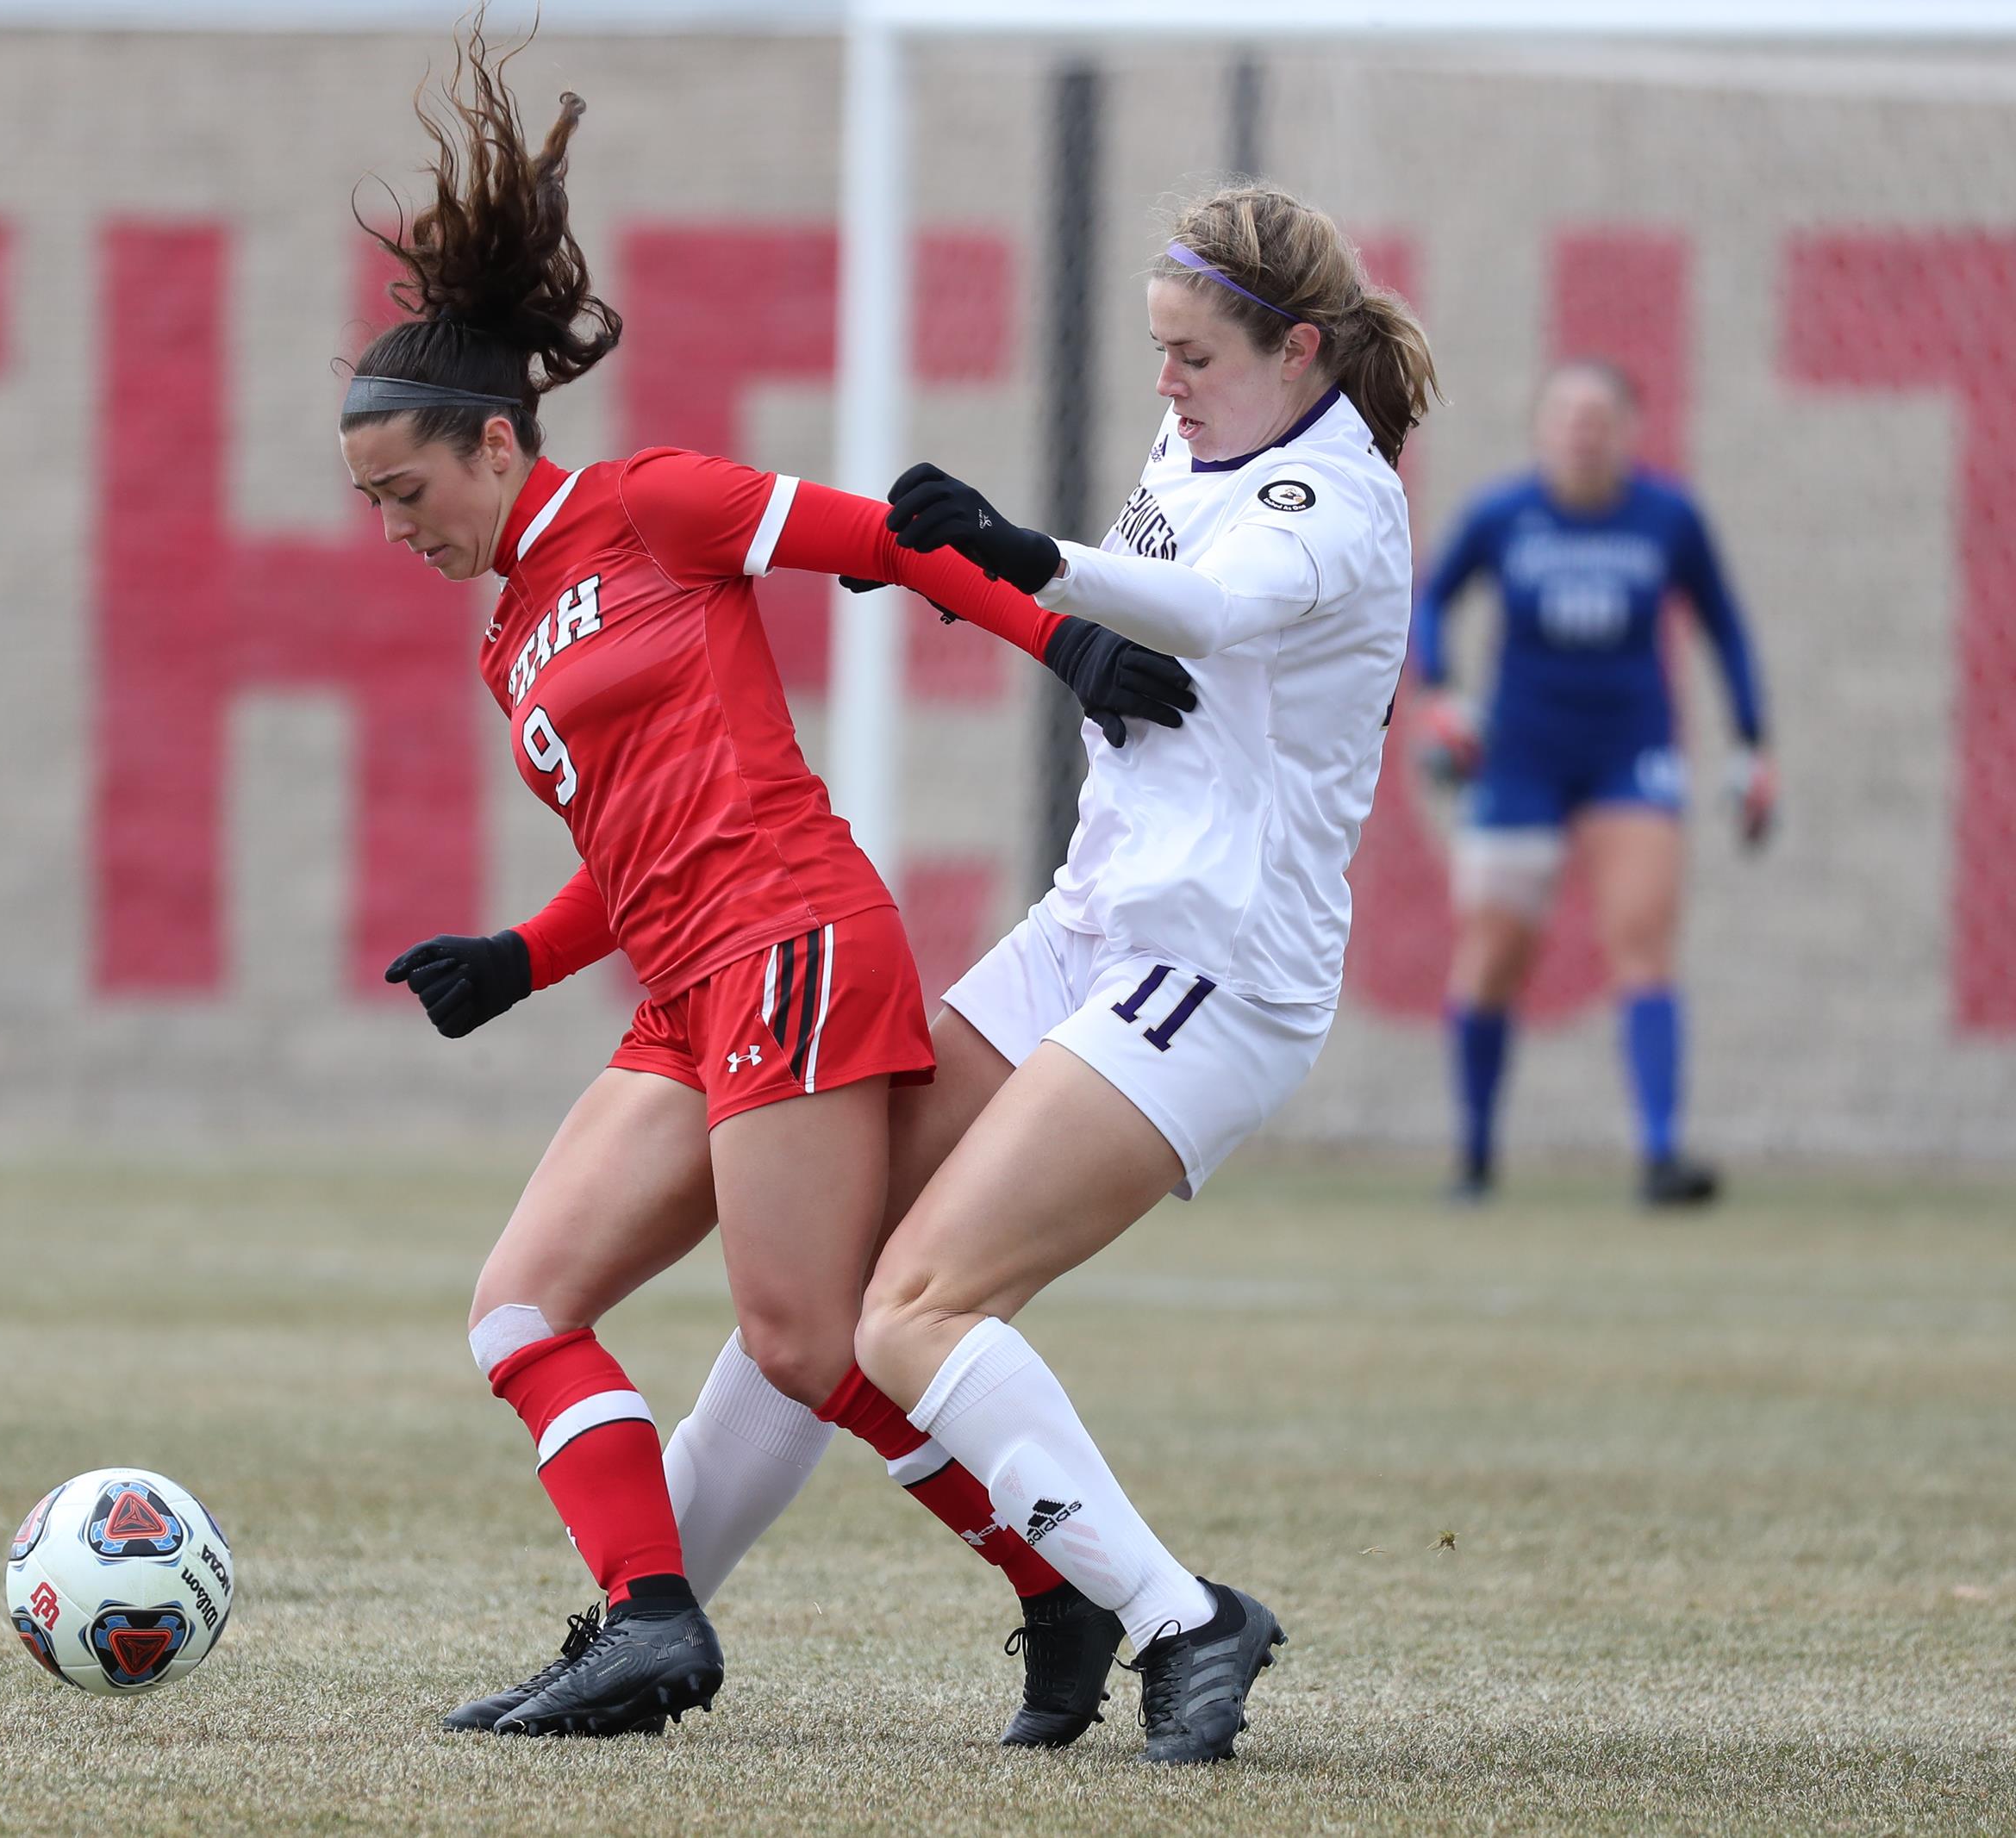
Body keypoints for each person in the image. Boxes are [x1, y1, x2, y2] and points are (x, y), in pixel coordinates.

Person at [346, 28, 1194, 1741]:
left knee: (810, 1342)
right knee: (521, 1307)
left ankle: (1062, 1592)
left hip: (790, 946)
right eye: (369, 502)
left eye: (407, 488)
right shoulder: (510, 636)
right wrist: (515, 955)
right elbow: (633, 856)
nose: (395, 525)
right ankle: (652, 1622)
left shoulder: (652, 506)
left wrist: (1064, 641)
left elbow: (883, 536)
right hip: (688, 988)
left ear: (497, 444)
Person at [841, 183, 1437, 1766]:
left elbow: (1213, 607)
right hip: (1096, 916)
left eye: (1194, 354)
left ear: (1297, 350)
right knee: (829, 1268)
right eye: (1158, 348)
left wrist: (1027, 555)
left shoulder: (1337, 501)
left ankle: (1180, 1617)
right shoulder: (1205, 439)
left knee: (913, 1310)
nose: (1164, 382)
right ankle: (656, 1607)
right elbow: (1146, 628)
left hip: (1213, 965)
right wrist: (1002, 594)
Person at [1414, 361, 1772, 1207]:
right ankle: (1474, 1159)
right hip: (1520, 756)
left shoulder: (1667, 517)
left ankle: (1659, 1156)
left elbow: (1724, 625)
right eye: (1567, 416)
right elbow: (1430, 601)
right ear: (1541, 431)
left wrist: (1752, 741)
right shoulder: (1503, 515)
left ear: (1628, 430)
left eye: (1599, 416)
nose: (1582, 431)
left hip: (1629, 752)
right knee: (1493, 952)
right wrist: (1441, 692)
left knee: (1642, 936)